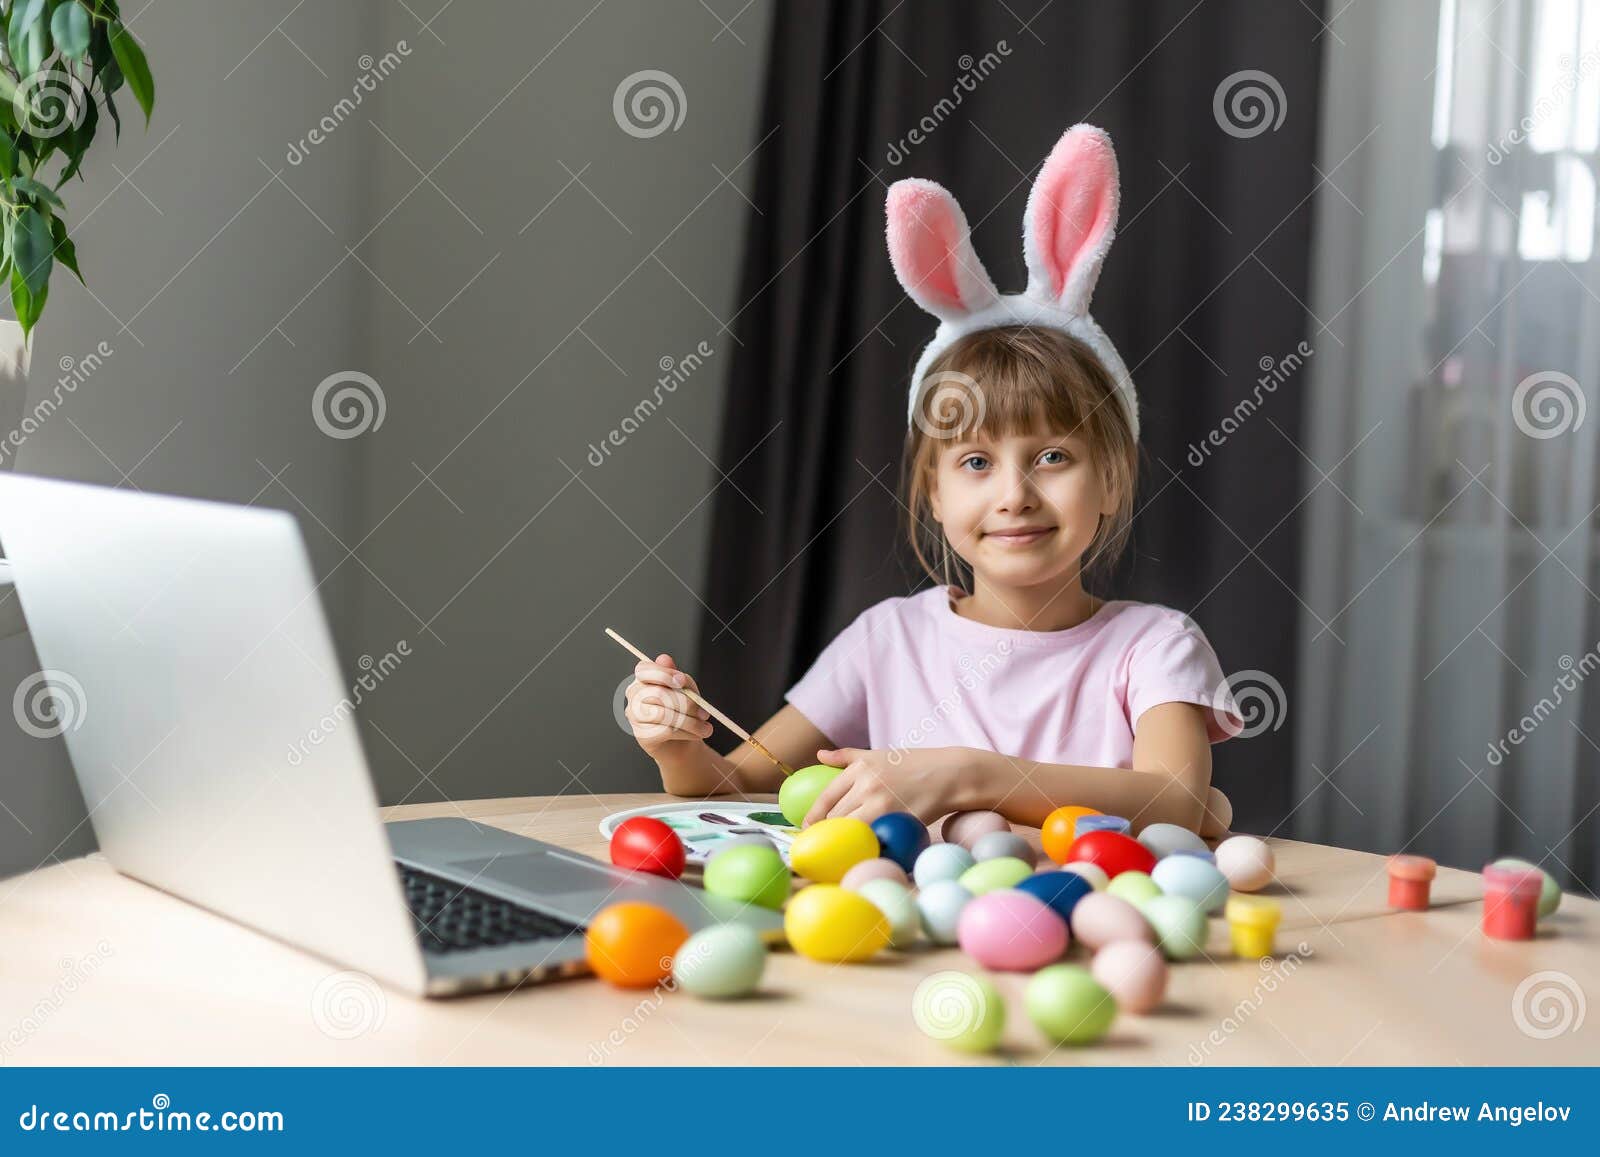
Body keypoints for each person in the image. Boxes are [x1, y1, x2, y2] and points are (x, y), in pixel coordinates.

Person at [624, 124, 1243, 837]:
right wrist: (677, 748)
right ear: (934, 492)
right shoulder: (887, 640)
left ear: (1111, 480)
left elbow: (1179, 802)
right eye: (976, 462)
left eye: (1052, 457)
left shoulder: (1155, 646)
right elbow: (735, 785)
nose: (1014, 495)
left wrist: (968, 774)